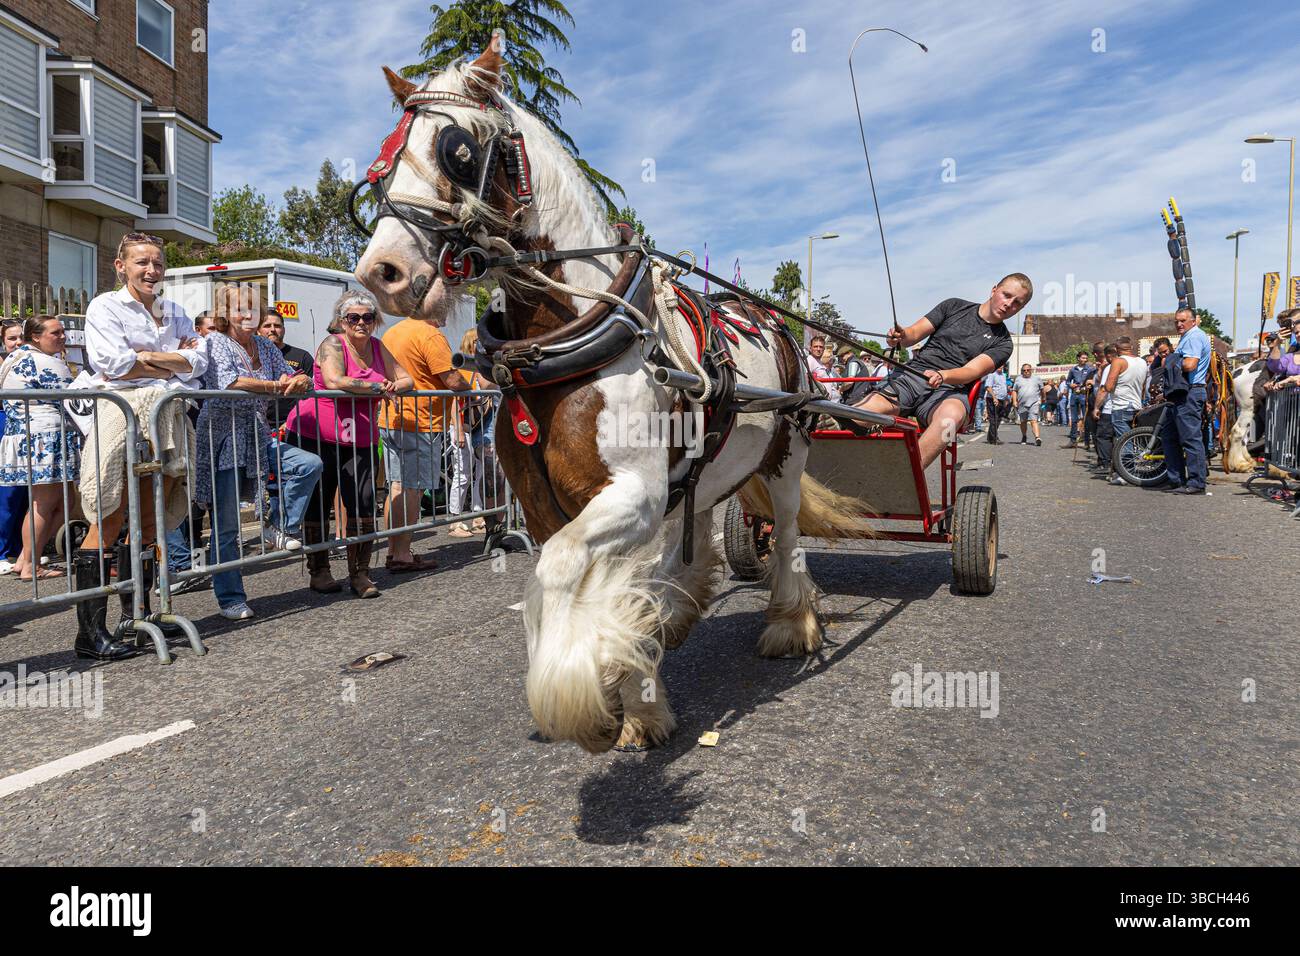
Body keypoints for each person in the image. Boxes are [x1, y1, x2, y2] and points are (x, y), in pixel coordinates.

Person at [73, 232, 208, 661]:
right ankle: (90, 635)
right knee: (110, 515)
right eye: (141, 263)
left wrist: (147, 358)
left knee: (151, 518)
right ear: (120, 266)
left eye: (157, 262)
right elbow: (112, 364)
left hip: (163, 417)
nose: (151, 270)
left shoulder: (175, 311)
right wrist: (172, 360)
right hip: (123, 418)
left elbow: (201, 365)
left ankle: (139, 618)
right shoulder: (105, 306)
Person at [191, 285, 320, 620]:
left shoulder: (264, 343)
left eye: (253, 308)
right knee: (227, 523)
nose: (247, 315)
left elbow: (293, 376)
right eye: (239, 308)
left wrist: (301, 381)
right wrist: (279, 386)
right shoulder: (215, 341)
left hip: (257, 430)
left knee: (308, 464)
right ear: (224, 312)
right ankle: (230, 597)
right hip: (222, 436)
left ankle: (278, 525)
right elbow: (231, 382)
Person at [284, 291, 413, 598]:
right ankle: (320, 571)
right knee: (318, 502)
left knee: (363, 502)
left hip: (361, 437)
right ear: (341, 321)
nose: (360, 323)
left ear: (375, 321)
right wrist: (378, 387)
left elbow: (407, 379)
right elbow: (334, 380)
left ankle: (361, 573)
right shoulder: (332, 344)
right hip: (317, 434)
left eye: (367, 318)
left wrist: (395, 385)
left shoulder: (379, 348)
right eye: (353, 318)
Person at [847, 275, 1029, 467]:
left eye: (1017, 302)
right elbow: (913, 334)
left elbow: (972, 370)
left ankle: (906, 474)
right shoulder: (954, 306)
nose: (1009, 304)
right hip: (912, 377)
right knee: (872, 407)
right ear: (994, 290)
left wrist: (944, 375)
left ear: (1021, 308)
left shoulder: (1004, 343)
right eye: (1006, 295)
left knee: (951, 419)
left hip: (951, 391)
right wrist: (900, 336)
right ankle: (834, 430)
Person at [376, 308, 468, 571]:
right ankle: (402, 554)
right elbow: (451, 379)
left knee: (396, 486)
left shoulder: (394, 331)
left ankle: (394, 551)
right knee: (413, 488)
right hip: (420, 421)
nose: (448, 312)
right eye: (444, 305)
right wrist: (473, 386)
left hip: (392, 418)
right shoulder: (429, 335)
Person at [0, 317, 80, 580]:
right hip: (43, 438)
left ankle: (25, 559)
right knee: (43, 504)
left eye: (63, 331)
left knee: (62, 500)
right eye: (55, 333)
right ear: (36, 336)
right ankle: (31, 565)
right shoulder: (45, 362)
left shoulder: (16, 357)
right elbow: (75, 396)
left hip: (29, 435)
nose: (63, 336)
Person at [1160, 307, 1212, 494]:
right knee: (1169, 437)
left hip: (1189, 393)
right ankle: (1176, 480)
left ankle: (1197, 483)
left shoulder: (1194, 337)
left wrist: (1172, 362)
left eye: (1183, 320)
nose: (1179, 324)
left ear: (1193, 321)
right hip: (1182, 393)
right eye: (1176, 321)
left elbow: (1190, 364)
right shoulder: (1188, 337)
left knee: (1190, 439)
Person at [448, 328, 494, 538]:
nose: (481, 344)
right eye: (478, 341)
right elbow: (454, 404)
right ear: (469, 343)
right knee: (463, 474)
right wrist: (457, 430)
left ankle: (478, 514)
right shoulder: (462, 369)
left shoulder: (479, 368)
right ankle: (455, 520)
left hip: (479, 427)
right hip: (462, 428)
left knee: (481, 472)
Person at [0, 318, 31, 575]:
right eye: (12, 338)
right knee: (7, 494)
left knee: (23, 492)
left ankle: (22, 550)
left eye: (21, 336)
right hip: (5, 427)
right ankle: (1, 550)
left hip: (25, 430)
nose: (18, 342)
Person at [257, 308, 315, 430]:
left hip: (293, 425)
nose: (272, 329)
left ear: (283, 329)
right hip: (260, 425)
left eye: (277, 325)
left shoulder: (302, 356)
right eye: (267, 325)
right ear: (258, 330)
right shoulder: (253, 356)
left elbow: (312, 395)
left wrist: (292, 419)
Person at [1102, 336, 1148, 485]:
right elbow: (1142, 386)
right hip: (1136, 405)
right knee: (1132, 440)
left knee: (1123, 441)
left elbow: (1109, 386)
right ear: (1131, 347)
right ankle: (1129, 470)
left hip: (1121, 405)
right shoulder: (1142, 362)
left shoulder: (1118, 361)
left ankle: (1126, 474)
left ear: (1116, 349)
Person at [1010, 363, 1044, 445]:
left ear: (1031, 370)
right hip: (1022, 403)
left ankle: (1037, 437)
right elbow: (1014, 391)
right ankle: (1024, 436)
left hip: (1034, 402)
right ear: (1022, 371)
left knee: (1033, 420)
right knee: (1023, 421)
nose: (1026, 372)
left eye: (1028, 370)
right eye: (1024, 370)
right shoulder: (1018, 379)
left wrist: (1042, 399)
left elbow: (1042, 389)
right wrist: (1014, 401)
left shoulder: (1037, 379)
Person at [1065, 351, 1093, 446]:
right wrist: (1070, 385)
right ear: (1078, 358)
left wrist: (1088, 386)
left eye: (1086, 358)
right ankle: (1072, 440)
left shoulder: (1090, 369)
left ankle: (1086, 441)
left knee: (1086, 418)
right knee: (1074, 419)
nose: (1084, 360)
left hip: (1084, 395)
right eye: (1083, 358)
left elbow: (1092, 381)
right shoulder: (1073, 370)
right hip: (1074, 395)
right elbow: (1067, 381)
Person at [981, 365, 1008, 445]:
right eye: (999, 364)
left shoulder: (1003, 375)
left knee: (998, 419)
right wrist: (994, 398)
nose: (1000, 366)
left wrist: (1006, 398)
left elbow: (1003, 387)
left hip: (1002, 399)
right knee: (994, 419)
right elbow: (988, 387)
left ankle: (990, 437)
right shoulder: (991, 374)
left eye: (1002, 364)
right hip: (993, 399)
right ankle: (994, 438)